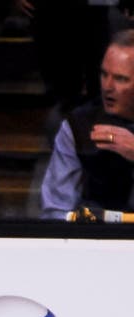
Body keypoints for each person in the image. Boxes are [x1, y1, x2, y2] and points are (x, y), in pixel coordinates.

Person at [41, 28, 134, 220]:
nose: (107, 87)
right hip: (96, 239)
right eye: (104, 74)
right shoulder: (79, 126)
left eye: (120, 79)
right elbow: (55, 209)